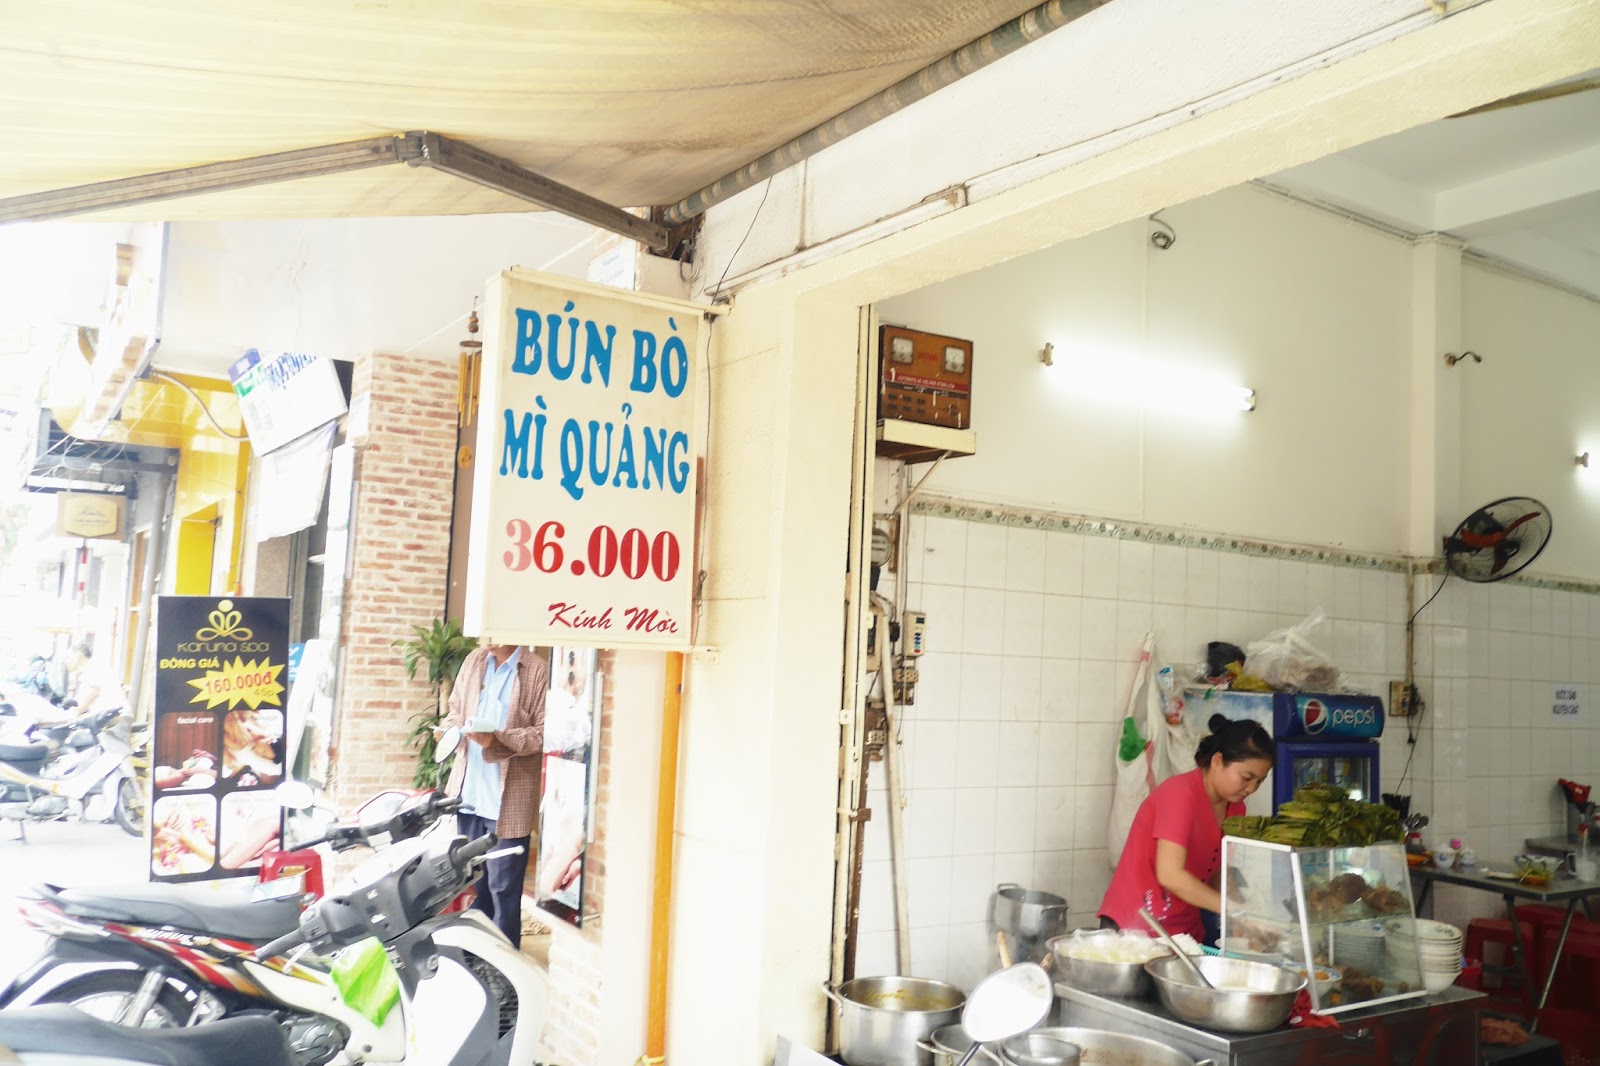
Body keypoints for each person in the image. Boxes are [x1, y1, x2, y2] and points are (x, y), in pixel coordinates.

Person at [1097, 714, 1275, 942]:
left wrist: (1246, 914)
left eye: (1259, 781)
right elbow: (1170, 875)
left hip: (1183, 930)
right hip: (1136, 926)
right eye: (1246, 777)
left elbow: (1218, 871)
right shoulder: (1180, 795)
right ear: (1218, 761)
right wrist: (1231, 909)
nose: (1251, 789)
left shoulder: (1236, 809)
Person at [440, 644, 547, 948]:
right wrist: (448, 730)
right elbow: (455, 711)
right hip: (470, 797)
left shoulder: (536, 669)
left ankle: (506, 976)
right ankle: (476, 963)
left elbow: (543, 733)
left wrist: (497, 739)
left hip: (507, 803)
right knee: (476, 887)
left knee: (504, 894)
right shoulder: (474, 659)